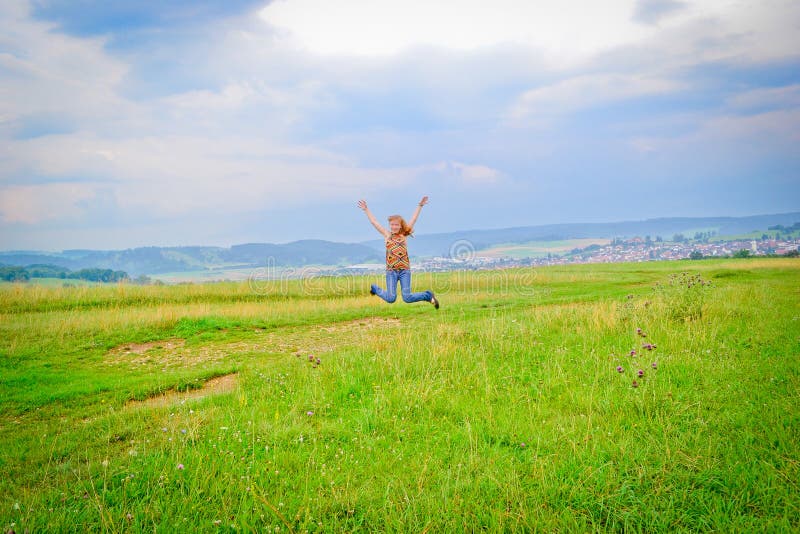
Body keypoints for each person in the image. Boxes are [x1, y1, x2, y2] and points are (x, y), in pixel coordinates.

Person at [357, 196, 440, 309]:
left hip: (404, 271)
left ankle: (428, 295)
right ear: (390, 225)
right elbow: (374, 222)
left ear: (400, 226)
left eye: (396, 225)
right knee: (391, 298)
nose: (394, 227)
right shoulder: (387, 235)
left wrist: (420, 206)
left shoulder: (403, 235)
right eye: (392, 224)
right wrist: (366, 209)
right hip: (391, 272)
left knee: (407, 298)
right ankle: (375, 288)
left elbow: (414, 220)